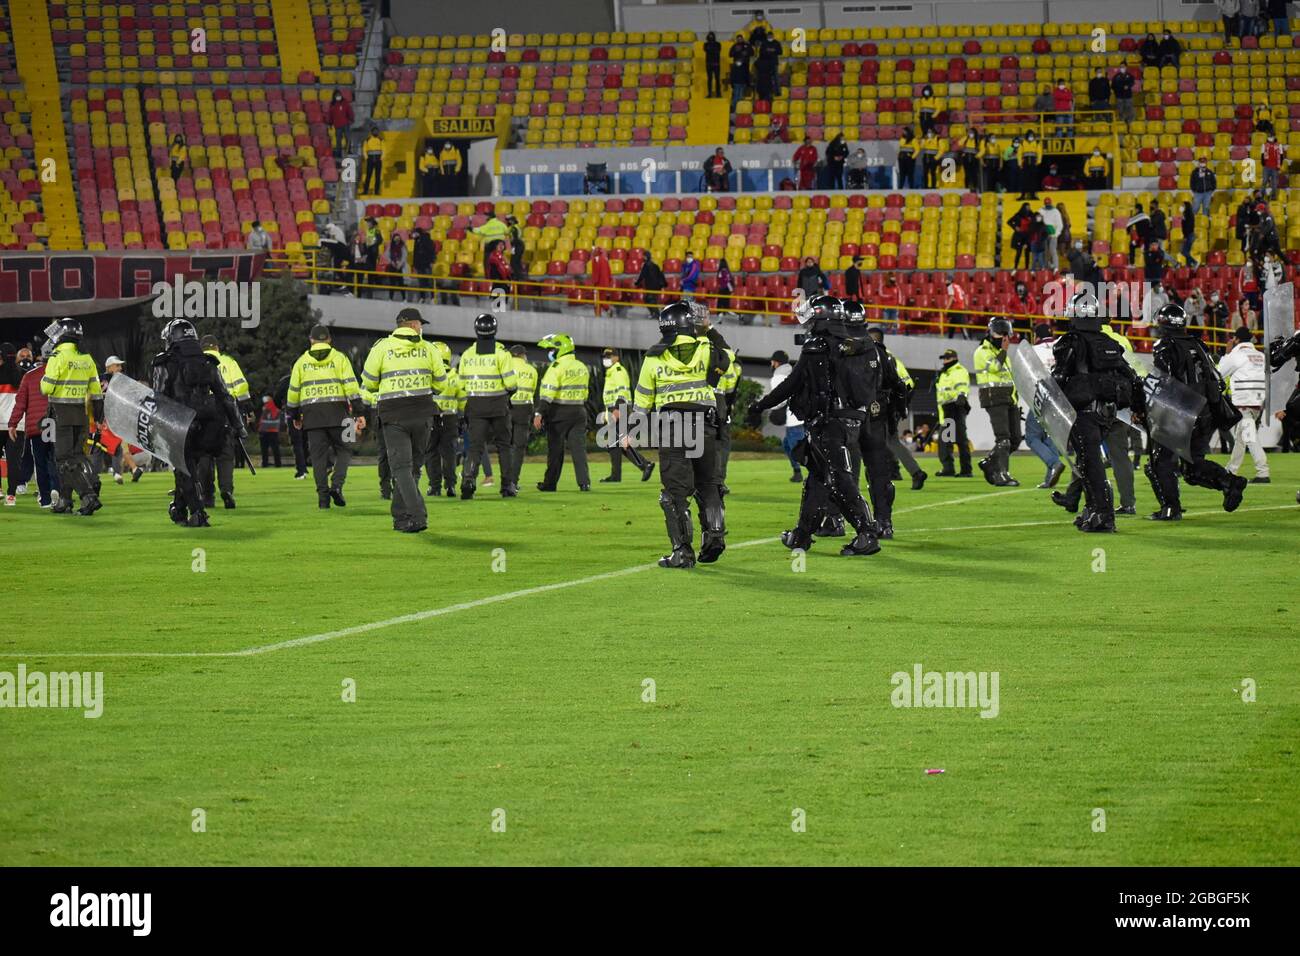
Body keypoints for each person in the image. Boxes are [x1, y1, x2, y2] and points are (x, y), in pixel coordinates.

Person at [748, 295, 881, 557]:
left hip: (828, 422)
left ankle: (867, 533)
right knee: (818, 480)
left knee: (839, 479)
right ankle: (802, 535)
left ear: (819, 316)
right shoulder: (862, 345)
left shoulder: (817, 345)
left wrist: (760, 406)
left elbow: (792, 383)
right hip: (853, 420)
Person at [1049, 291, 1146, 532]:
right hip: (1108, 413)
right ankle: (1091, 509)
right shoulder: (1110, 343)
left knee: (1090, 464)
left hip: (1083, 412)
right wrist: (1139, 409)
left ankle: (1103, 514)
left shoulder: (1070, 341)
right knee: (1087, 462)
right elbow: (1132, 377)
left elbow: (1059, 377)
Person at [1145, 303, 1248, 520]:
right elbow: (1214, 378)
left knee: (1160, 461)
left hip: (1181, 412)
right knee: (1193, 467)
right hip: (1207, 412)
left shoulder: (1164, 346)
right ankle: (1229, 482)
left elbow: (1166, 382)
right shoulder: (1198, 344)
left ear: (1162, 324)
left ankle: (1171, 508)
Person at [149, 320, 243, 527]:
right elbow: (226, 397)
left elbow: (158, 398)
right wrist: (239, 426)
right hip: (208, 423)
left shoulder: (163, 362)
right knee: (187, 467)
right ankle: (179, 509)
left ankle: (198, 513)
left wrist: (152, 427)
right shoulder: (208, 361)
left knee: (184, 469)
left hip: (179, 422)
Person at [361, 307, 446, 532]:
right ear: (413, 324)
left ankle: (417, 515)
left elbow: (368, 382)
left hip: (394, 415)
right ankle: (400, 517)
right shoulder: (429, 349)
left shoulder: (381, 348)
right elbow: (441, 384)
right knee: (413, 468)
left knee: (401, 468)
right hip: (423, 414)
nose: (422, 328)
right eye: (421, 324)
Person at [287, 325, 364, 509]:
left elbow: (293, 393)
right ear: (329, 339)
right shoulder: (340, 358)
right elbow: (351, 386)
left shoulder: (301, 362)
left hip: (312, 417)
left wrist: (295, 416)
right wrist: (360, 413)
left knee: (318, 459)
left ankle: (323, 500)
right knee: (347, 448)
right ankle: (337, 486)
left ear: (311, 340)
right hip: (341, 413)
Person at [38, 319, 103, 515]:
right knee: (76, 457)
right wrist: (99, 418)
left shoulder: (57, 357)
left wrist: (44, 378)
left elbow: (46, 388)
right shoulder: (87, 358)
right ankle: (66, 500)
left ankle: (88, 495)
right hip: (81, 414)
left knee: (64, 460)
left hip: (61, 413)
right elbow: (97, 393)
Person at [458, 312, 517, 499]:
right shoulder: (502, 354)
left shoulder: (467, 355)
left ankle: (468, 479)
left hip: (475, 405)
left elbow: (461, 385)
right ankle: (507, 486)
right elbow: (511, 384)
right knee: (504, 446)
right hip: (499, 405)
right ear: (495, 329)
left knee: (475, 447)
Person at [865, 323, 927, 491]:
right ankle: (905, 472)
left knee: (875, 441)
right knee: (891, 441)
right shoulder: (893, 358)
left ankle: (885, 475)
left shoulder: (873, 357)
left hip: (879, 406)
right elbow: (909, 383)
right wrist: (901, 407)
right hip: (893, 406)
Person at [196, 335, 252, 510]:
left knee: (204, 456)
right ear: (217, 348)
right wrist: (244, 409)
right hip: (225, 413)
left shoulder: (195, 363)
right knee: (225, 455)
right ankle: (227, 490)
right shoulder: (229, 362)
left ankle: (207, 495)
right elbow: (242, 387)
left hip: (201, 414)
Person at [533, 332, 591, 492]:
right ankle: (584, 483)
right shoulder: (582, 366)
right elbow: (586, 394)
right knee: (579, 450)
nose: (550, 352)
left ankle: (550, 484)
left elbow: (547, 394)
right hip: (579, 411)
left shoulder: (556, 367)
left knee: (555, 452)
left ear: (560, 349)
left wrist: (539, 413)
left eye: (552, 349)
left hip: (559, 413)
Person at [7, 343, 59, 508]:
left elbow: (20, 403)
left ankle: (45, 499)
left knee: (41, 462)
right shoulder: (61, 374)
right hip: (56, 423)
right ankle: (57, 490)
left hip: (37, 425)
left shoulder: (29, 376)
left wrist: (12, 423)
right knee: (56, 460)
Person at [1218, 326, 1270, 483]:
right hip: (1258, 401)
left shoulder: (1236, 355)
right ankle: (1230, 470)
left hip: (1243, 401)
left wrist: (1226, 354)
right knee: (1241, 438)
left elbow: (1219, 373)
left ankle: (1263, 472)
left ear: (1236, 339)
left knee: (1249, 436)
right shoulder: (1260, 355)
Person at [973, 317, 1022, 486]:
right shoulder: (982, 351)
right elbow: (995, 367)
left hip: (1009, 398)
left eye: (1005, 334)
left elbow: (1009, 378)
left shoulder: (1002, 353)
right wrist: (1004, 351)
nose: (1003, 337)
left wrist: (1015, 400)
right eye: (999, 333)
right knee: (1003, 439)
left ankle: (989, 462)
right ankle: (1002, 475)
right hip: (993, 397)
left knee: (1015, 439)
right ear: (990, 333)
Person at [599, 348, 653, 484]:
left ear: (616, 357)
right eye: (605, 356)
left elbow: (622, 391)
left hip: (619, 409)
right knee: (614, 444)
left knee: (620, 443)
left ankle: (645, 464)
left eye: (609, 356)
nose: (606, 359)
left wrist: (617, 410)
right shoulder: (610, 373)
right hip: (614, 410)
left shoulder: (618, 371)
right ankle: (616, 475)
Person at [1024, 323, 1066, 488]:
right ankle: (1050, 478)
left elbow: (1029, 375)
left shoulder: (1034, 351)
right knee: (1050, 437)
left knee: (1032, 436)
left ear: (1037, 336)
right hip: (1061, 397)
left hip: (1042, 395)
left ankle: (1054, 463)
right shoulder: (1061, 346)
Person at [424, 341, 463, 497]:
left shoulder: (427, 376)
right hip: (450, 419)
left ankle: (434, 487)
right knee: (449, 454)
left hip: (431, 419)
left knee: (431, 453)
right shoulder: (455, 376)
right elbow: (463, 400)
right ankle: (451, 486)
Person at [767, 350, 804, 482]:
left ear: (776, 363)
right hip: (802, 415)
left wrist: (769, 407)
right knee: (788, 444)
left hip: (794, 418)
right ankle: (797, 472)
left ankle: (816, 475)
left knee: (797, 448)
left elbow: (779, 399)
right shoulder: (793, 373)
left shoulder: (778, 377)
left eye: (772, 361)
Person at [935, 348, 972, 477]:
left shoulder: (959, 371)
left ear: (954, 358)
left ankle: (966, 470)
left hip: (956, 407)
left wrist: (962, 395)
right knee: (946, 441)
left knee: (961, 440)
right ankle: (948, 468)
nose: (944, 361)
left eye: (947, 358)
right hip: (946, 410)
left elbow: (962, 386)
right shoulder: (944, 374)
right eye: (944, 358)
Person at [635, 250, 667, 319]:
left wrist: (636, 283)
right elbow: (661, 275)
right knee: (651, 300)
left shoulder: (646, 266)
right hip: (656, 287)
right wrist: (664, 284)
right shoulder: (655, 265)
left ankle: (657, 314)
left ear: (646, 257)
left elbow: (641, 276)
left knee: (649, 300)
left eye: (644, 256)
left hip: (651, 287)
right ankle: (655, 314)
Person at [257, 394, 282, 468]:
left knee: (264, 450)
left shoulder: (267, 406)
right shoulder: (276, 406)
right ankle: (278, 464)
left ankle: (265, 464)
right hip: (274, 431)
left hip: (265, 431)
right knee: (275, 449)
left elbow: (263, 420)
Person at [328, 89, 353, 156]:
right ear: (334, 96)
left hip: (345, 124)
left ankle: (348, 150)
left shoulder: (345, 102)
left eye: (339, 95)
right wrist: (330, 123)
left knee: (348, 137)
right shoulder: (332, 104)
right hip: (337, 125)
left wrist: (351, 119)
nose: (338, 96)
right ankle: (338, 152)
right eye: (337, 95)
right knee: (338, 139)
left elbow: (349, 111)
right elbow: (330, 115)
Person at [729, 34, 752, 105]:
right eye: (738, 39)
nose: (739, 40)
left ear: (742, 39)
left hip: (744, 70)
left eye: (740, 38)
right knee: (736, 93)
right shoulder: (734, 46)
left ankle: (739, 106)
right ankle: (734, 106)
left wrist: (747, 50)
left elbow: (752, 52)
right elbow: (730, 54)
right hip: (737, 74)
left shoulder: (747, 45)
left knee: (741, 93)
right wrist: (736, 51)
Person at [1040, 197, 1062, 271]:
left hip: (1053, 234)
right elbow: (1038, 221)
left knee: (1053, 250)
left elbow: (1060, 224)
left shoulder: (1055, 211)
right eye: (1046, 203)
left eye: (1048, 203)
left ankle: (1056, 267)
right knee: (1045, 251)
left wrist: (1056, 234)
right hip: (1044, 234)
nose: (1047, 205)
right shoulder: (1041, 210)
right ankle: (1046, 266)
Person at [361, 125, 383, 194]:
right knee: (368, 175)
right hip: (370, 158)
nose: (375, 132)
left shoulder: (381, 139)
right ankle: (365, 191)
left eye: (377, 131)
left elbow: (384, 149)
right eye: (374, 131)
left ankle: (377, 191)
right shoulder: (367, 140)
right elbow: (364, 149)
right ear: (371, 132)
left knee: (377, 176)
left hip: (378, 158)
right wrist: (366, 158)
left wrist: (381, 158)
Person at [704, 32, 721, 98]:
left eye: (712, 36)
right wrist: (712, 49)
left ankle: (718, 93)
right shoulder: (706, 44)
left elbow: (717, 50)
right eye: (709, 36)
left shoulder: (718, 44)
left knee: (717, 79)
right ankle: (709, 93)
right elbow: (706, 50)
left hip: (716, 64)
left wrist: (711, 49)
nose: (711, 37)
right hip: (709, 64)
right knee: (709, 79)